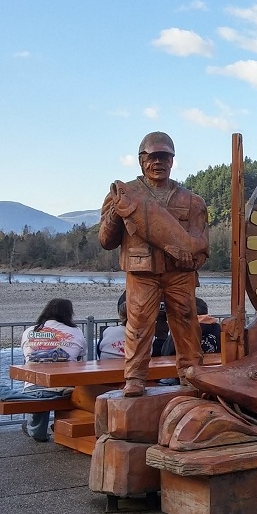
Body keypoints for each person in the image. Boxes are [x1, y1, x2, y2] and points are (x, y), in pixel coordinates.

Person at [98, 131, 209, 397]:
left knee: (186, 321)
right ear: (140, 160)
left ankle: (192, 373)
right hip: (142, 272)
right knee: (138, 324)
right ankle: (134, 378)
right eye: (152, 157)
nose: (158, 162)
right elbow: (105, 240)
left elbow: (202, 246)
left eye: (164, 157)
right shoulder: (123, 193)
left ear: (172, 161)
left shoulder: (193, 201)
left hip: (179, 274)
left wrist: (192, 259)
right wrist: (115, 212)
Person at [14, 298, 86, 441]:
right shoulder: (76, 331)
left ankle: (35, 430)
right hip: (66, 388)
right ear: (69, 313)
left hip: (33, 386)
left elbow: (26, 356)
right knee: (73, 389)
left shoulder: (29, 331)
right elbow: (81, 355)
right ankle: (63, 426)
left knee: (37, 428)